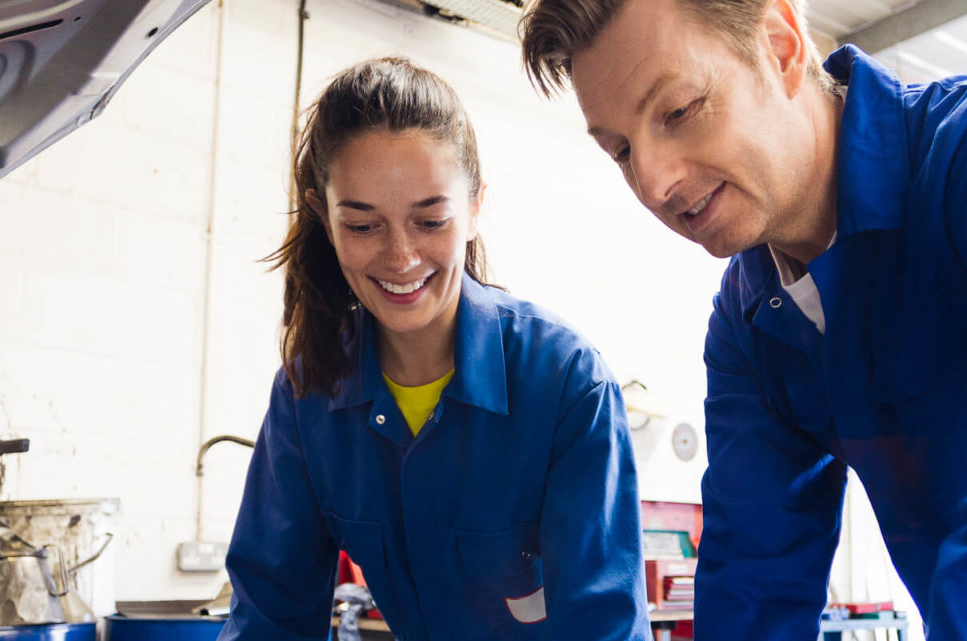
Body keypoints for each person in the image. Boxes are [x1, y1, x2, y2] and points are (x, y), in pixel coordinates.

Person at [518, 0, 967, 639]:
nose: (652, 181)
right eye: (620, 150)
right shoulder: (751, 321)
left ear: (780, 46)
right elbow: (753, 577)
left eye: (677, 110)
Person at [216, 57, 649, 641]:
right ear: (324, 218)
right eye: (362, 226)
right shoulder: (309, 391)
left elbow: (605, 628)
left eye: (430, 221)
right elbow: (270, 619)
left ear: (474, 209)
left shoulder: (566, 382)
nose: (401, 258)